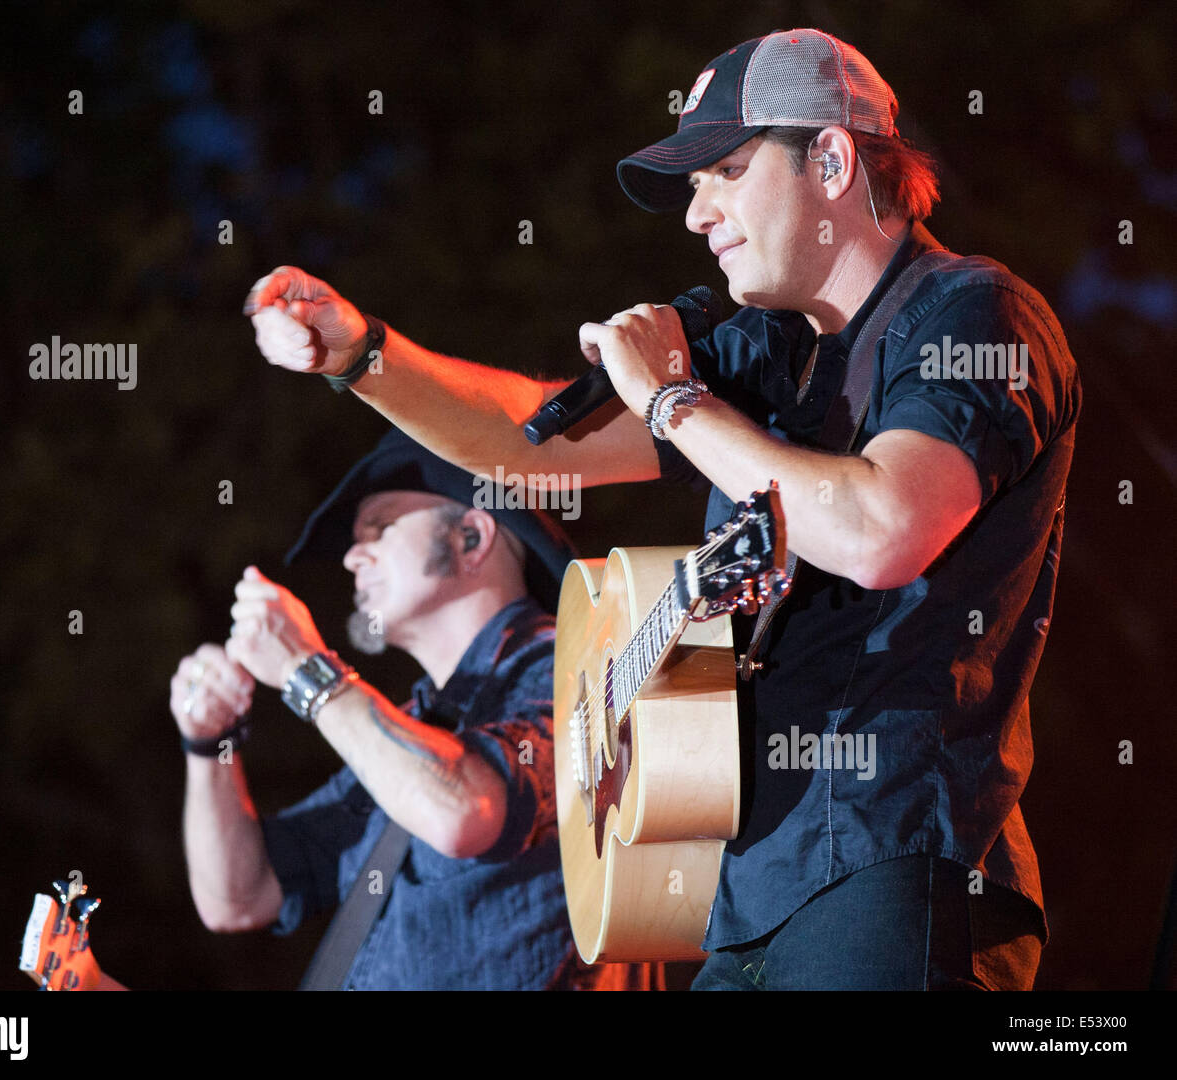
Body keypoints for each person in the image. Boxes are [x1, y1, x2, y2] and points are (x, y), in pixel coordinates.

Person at [240, 27, 1082, 990]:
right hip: (743, 891)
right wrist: (363, 355)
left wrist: (674, 400)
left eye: (724, 169)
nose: (697, 213)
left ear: (834, 157)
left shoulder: (975, 314)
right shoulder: (765, 353)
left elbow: (881, 529)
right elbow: (529, 441)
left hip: (897, 866)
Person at [170, 428, 652, 989]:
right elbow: (237, 898)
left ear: (471, 536)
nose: (353, 555)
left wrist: (307, 672)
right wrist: (207, 744)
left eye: (380, 526)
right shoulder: (411, 729)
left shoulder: (576, 670)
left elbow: (465, 811)